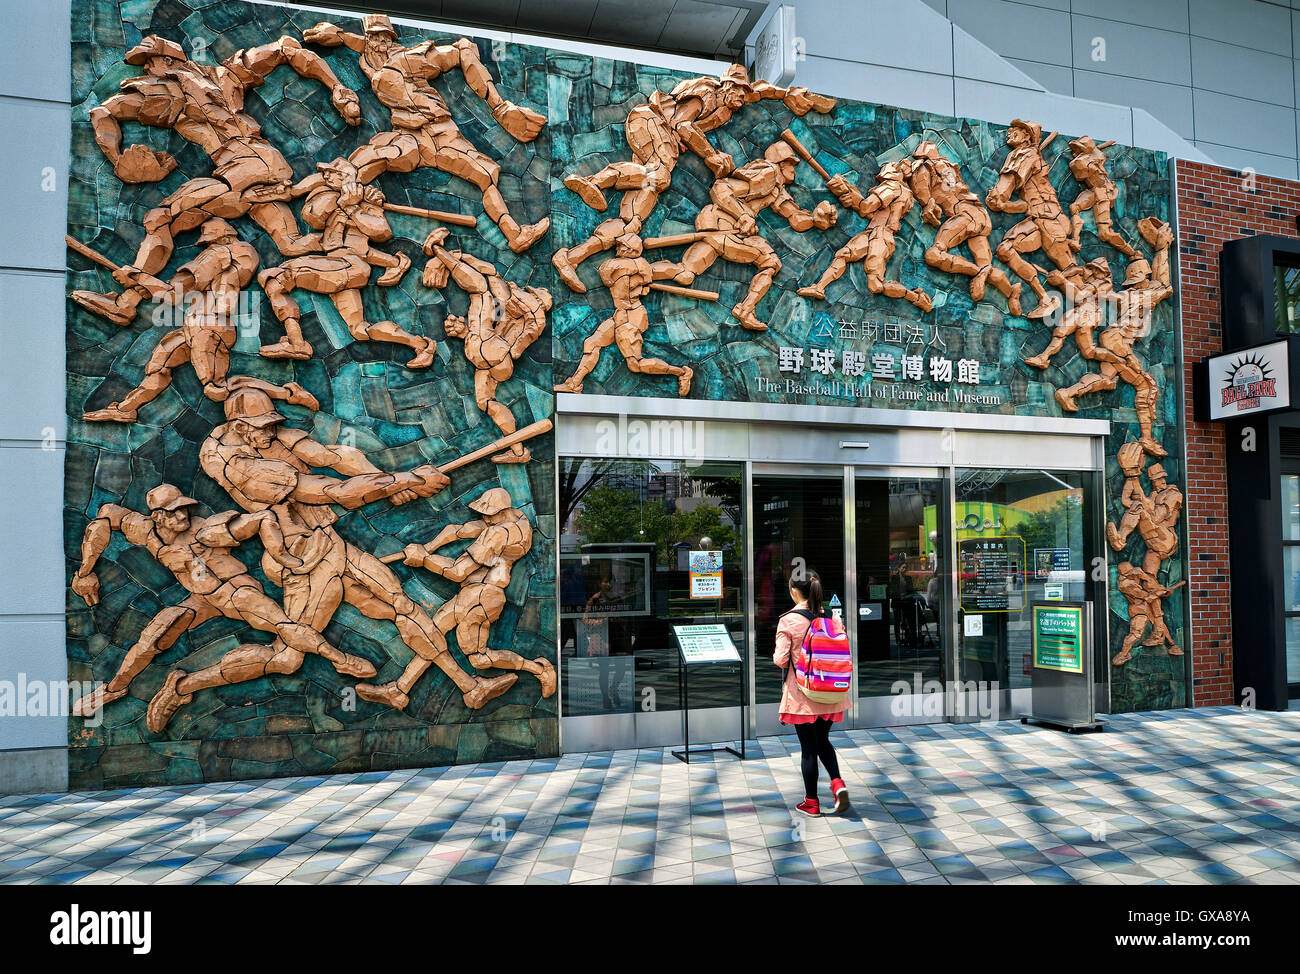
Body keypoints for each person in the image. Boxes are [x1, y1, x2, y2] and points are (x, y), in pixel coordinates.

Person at [773, 572, 849, 816]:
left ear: (795, 591)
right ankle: (837, 784)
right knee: (823, 741)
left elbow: (781, 660)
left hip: (803, 695)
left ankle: (812, 802)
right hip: (830, 693)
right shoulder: (831, 618)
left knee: (808, 749)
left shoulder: (789, 620)